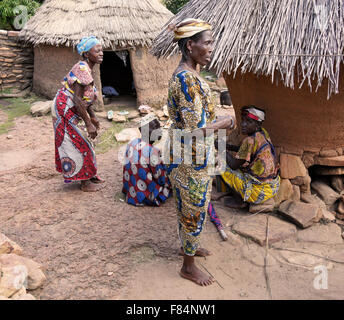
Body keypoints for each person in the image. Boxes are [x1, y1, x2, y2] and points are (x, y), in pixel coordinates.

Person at [166, 18, 235, 286]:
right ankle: (188, 266)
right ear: (189, 45)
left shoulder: (190, 75)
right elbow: (198, 129)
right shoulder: (187, 81)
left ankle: (189, 249)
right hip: (189, 157)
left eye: (211, 42)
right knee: (192, 206)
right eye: (206, 43)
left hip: (191, 154)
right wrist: (226, 122)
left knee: (193, 203)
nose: (211, 48)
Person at [52, 36, 105, 192]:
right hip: (64, 109)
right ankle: (84, 181)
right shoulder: (82, 68)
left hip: (72, 107)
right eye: (97, 50)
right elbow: (76, 99)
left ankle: (90, 174)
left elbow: (84, 98)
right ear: (87, 54)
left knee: (84, 141)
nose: (101, 53)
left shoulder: (87, 69)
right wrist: (88, 124)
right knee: (78, 142)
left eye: (101, 50)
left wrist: (93, 117)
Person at [220, 106, 280, 209]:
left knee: (220, 164)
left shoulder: (249, 140)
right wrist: (229, 147)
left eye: (248, 121)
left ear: (257, 124)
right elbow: (248, 151)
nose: (243, 124)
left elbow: (234, 165)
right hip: (272, 187)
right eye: (242, 120)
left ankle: (240, 201)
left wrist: (221, 149)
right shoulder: (262, 133)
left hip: (257, 192)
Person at [122, 114, 171, 206]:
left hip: (131, 189)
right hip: (146, 195)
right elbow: (161, 178)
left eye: (159, 127)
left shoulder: (133, 143)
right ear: (143, 131)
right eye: (154, 128)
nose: (158, 130)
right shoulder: (153, 151)